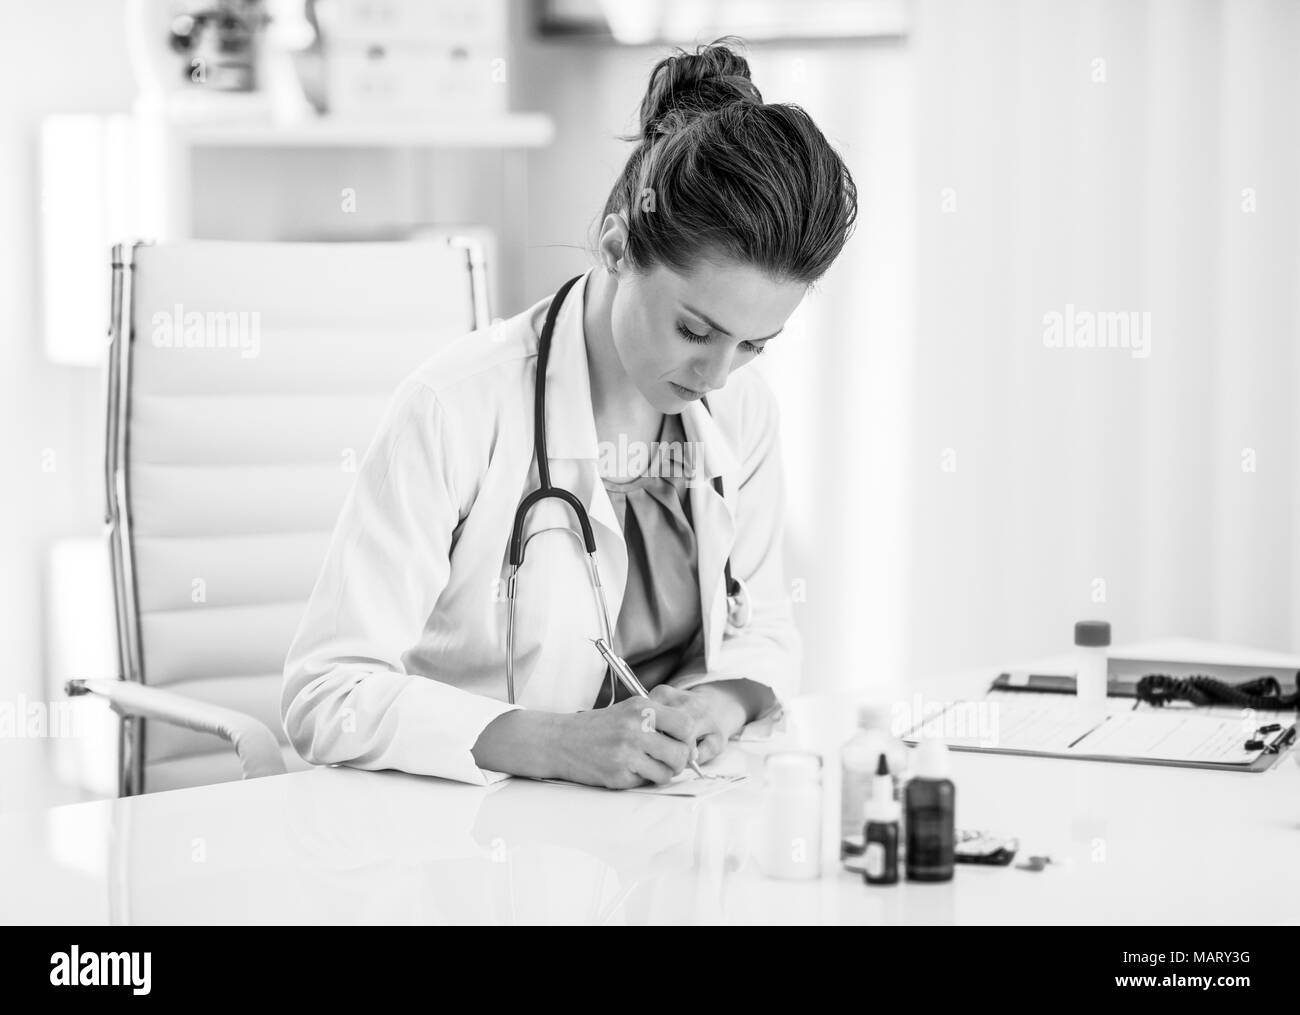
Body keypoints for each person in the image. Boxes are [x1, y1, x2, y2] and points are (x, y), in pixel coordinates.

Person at [281, 36, 858, 789]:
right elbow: (327, 694)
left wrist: (712, 707)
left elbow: (766, 629)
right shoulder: (456, 408)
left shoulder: (740, 413)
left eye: (754, 344)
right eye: (695, 330)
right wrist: (556, 744)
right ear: (617, 248)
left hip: (656, 823)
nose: (716, 375)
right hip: (471, 834)